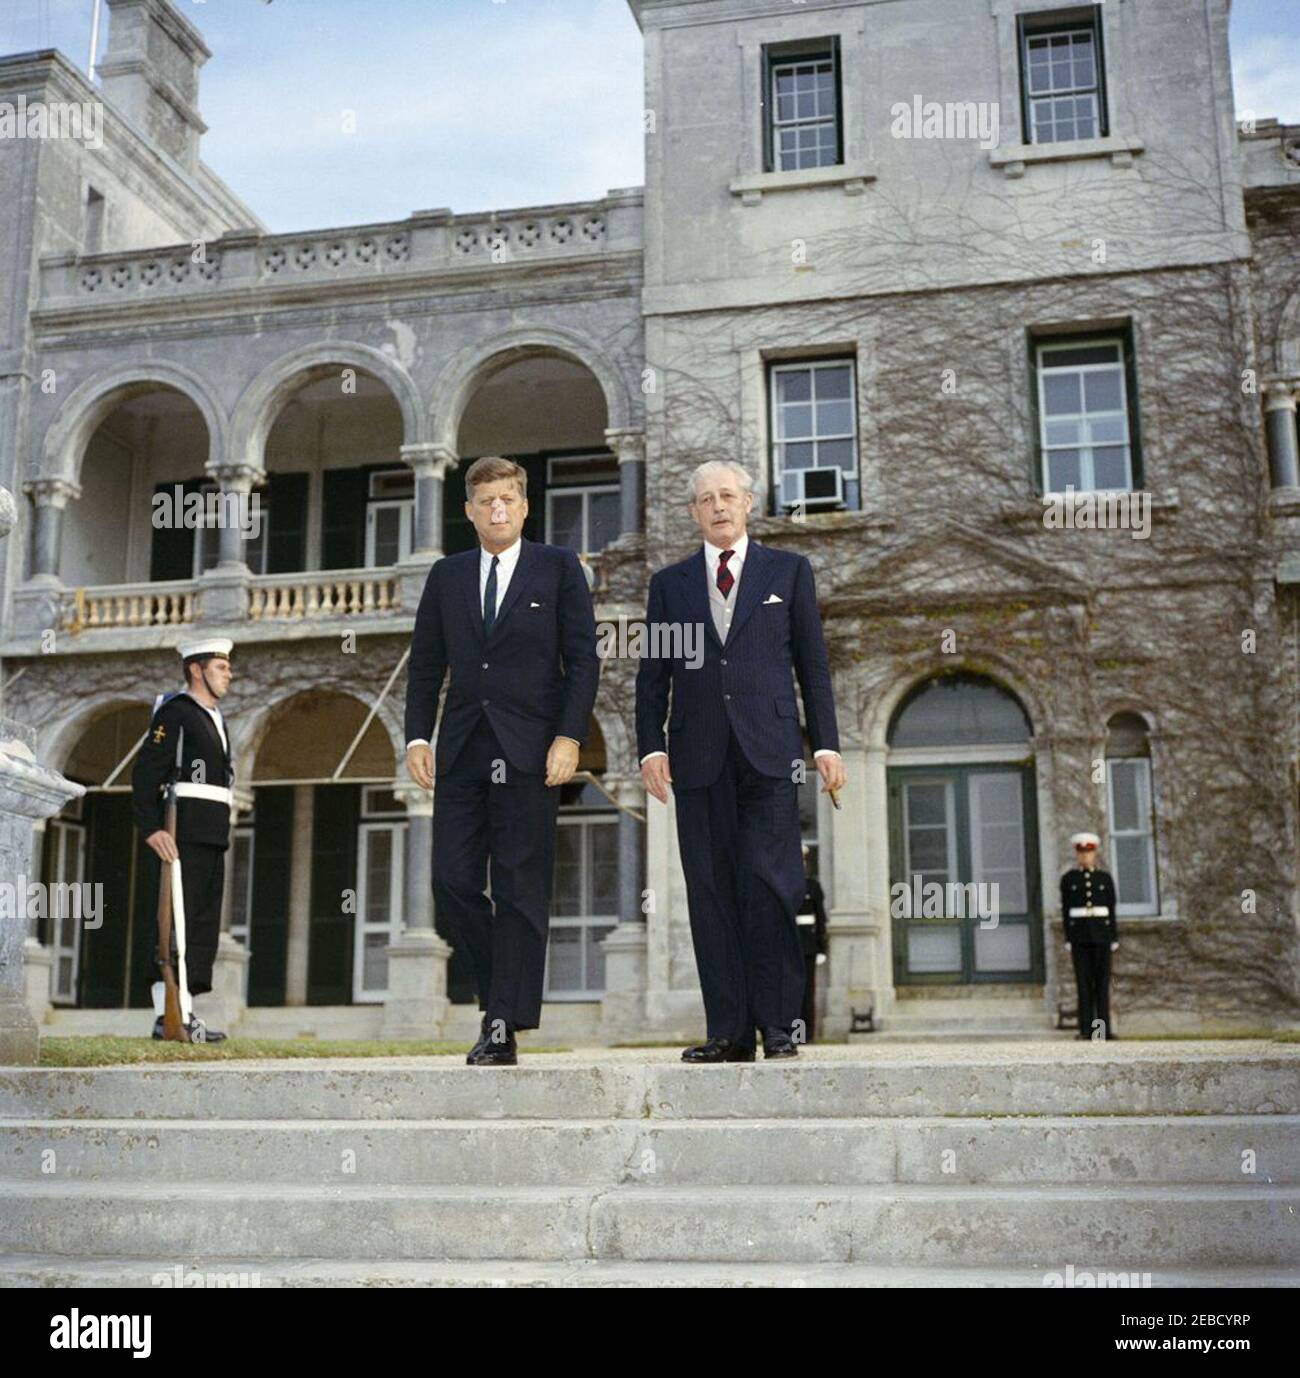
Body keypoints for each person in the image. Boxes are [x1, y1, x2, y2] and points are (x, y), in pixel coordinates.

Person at [636, 460, 845, 1062]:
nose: (718, 506)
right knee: (711, 893)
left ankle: (778, 1027)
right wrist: (651, 745)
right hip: (698, 758)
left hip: (770, 755)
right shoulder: (670, 586)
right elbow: (653, 677)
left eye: (728, 495)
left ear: (749, 503)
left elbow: (814, 666)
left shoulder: (789, 572)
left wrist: (825, 744)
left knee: (772, 886)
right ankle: (728, 1032)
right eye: (706, 499)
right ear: (694, 512)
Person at [405, 456, 599, 1067]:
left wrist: (569, 737)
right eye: (486, 501)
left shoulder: (559, 569)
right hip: (462, 748)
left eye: (508, 500)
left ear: (523, 506)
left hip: (531, 754)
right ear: (469, 510)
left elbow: (583, 661)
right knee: (452, 881)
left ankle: (499, 1025)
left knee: (520, 889)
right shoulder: (447, 576)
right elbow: (426, 664)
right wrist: (417, 738)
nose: (497, 509)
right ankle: (503, 997)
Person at [131, 636, 235, 1042]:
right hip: (182, 831)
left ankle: (186, 1014)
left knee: (200, 925)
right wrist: (151, 828)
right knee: (171, 922)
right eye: (221, 666)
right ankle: (165, 1016)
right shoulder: (175, 713)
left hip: (212, 832)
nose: (230, 673)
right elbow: (145, 773)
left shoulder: (215, 718)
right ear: (197, 669)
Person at [1061, 831, 1119, 1040]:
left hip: (1102, 936)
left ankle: (1102, 1030)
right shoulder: (1069, 879)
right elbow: (1066, 911)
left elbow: (1111, 909)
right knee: (1084, 985)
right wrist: (1068, 937)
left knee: (1102, 984)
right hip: (1080, 937)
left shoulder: (1104, 878)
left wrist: (1113, 937)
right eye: (1081, 853)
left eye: (1089, 852)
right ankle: (1087, 1030)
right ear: (1077, 855)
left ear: (1094, 853)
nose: (1085, 857)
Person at [796, 845, 829, 1044]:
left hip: (808, 945)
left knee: (807, 993)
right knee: (793, 994)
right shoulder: (785, 885)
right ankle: (794, 1035)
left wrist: (821, 948)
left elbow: (820, 919)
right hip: (788, 945)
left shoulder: (812, 886)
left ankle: (806, 1036)